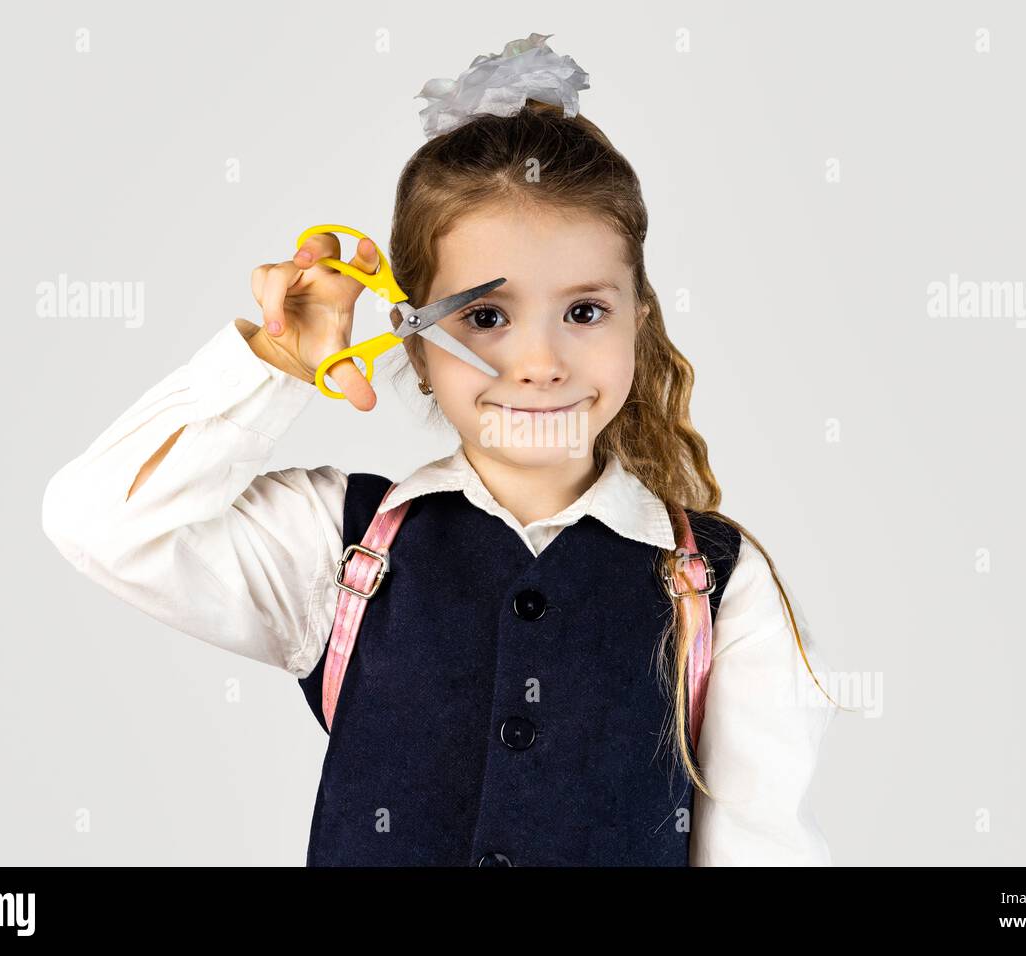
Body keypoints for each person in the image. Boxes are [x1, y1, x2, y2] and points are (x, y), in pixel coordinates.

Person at [41, 33, 839, 866]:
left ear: (640, 318)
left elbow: (762, 848)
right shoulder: (340, 541)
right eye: (486, 317)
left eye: (585, 312)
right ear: (414, 343)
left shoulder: (719, 586)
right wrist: (270, 369)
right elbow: (96, 521)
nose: (539, 365)